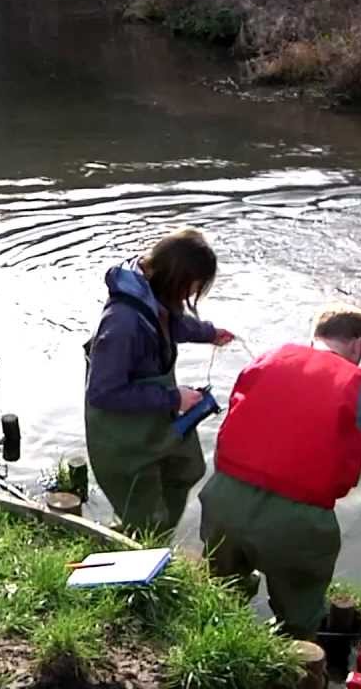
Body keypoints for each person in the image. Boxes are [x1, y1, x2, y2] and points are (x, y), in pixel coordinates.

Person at [198, 303, 361, 640]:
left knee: (221, 591)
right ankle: (290, 661)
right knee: (299, 614)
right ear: (358, 345)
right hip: (296, 522)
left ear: (315, 337)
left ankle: (214, 649)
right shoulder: (359, 392)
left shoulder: (266, 360)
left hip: (224, 497)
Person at [83, 228, 235, 537]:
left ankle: (148, 529)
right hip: (122, 436)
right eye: (190, 288)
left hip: (152, 417)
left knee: (189, 468)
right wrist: (172, 398)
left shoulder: (151, 290)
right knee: (146, 518)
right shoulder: (121, 323)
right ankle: (142, 552)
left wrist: (208, 333)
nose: (190, 296)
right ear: (175, 278)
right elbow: (102, 392)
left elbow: (168, 323)